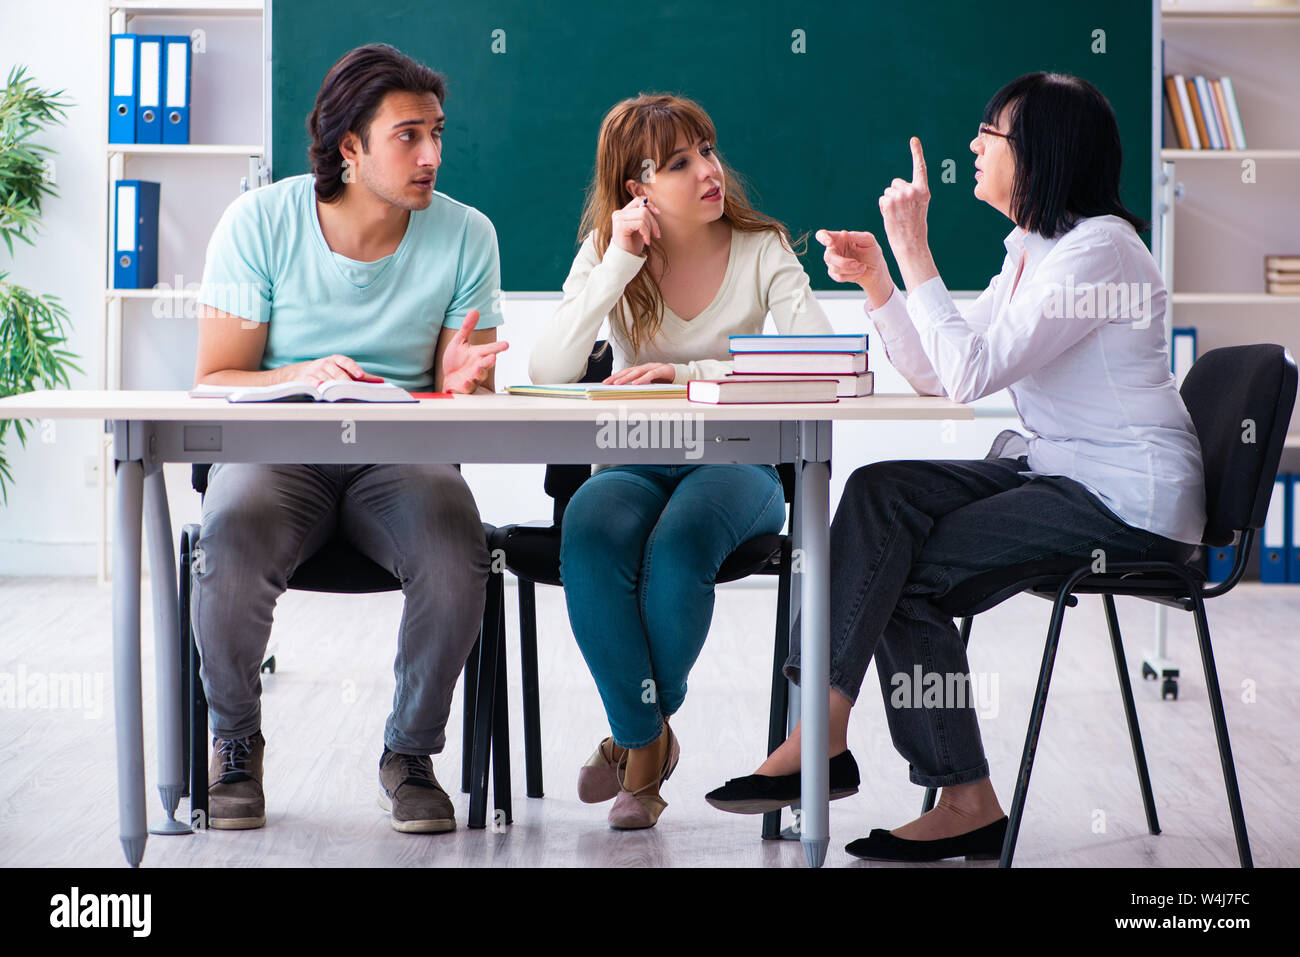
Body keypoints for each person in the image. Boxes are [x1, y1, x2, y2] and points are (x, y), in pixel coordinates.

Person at [706, 72, 1206, 861]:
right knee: (880, 494)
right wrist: (881, 281)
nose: (972, 146)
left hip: (1125, 498)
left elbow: (970, 377)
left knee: (897, 567)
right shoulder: (1032, 251)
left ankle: (954, 791)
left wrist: (915, 251)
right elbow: (942, 376)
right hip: (1061, 470)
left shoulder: (1101, 253)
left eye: (990, 134)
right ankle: (829, 732)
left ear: (1041, 153)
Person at [191, 44, 508, 834]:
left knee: (455, 544)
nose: (432, 154)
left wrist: (465, 381)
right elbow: (217, 375)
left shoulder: (468, 236)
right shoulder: (260, 220)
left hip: (399, 456)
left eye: (437, 133)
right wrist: (303, 368)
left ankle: (409, 754)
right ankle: (234, 741)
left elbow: (458, 387)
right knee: (227, 533)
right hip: (278, 450)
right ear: (351, 148)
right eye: (409, 136)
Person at [529, 93, 837, 829]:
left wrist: (691, 376)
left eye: (707, 150)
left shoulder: (763, 250)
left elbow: (821, 365)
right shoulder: (614, 251)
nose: (709, 171)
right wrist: (613, 266)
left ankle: (633, 744)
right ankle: (648, 742)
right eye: (680, 162)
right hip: (634, 462)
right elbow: (546, 367)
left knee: (680, 546)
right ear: (638, 189)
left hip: (743, 469)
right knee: (589, 534)